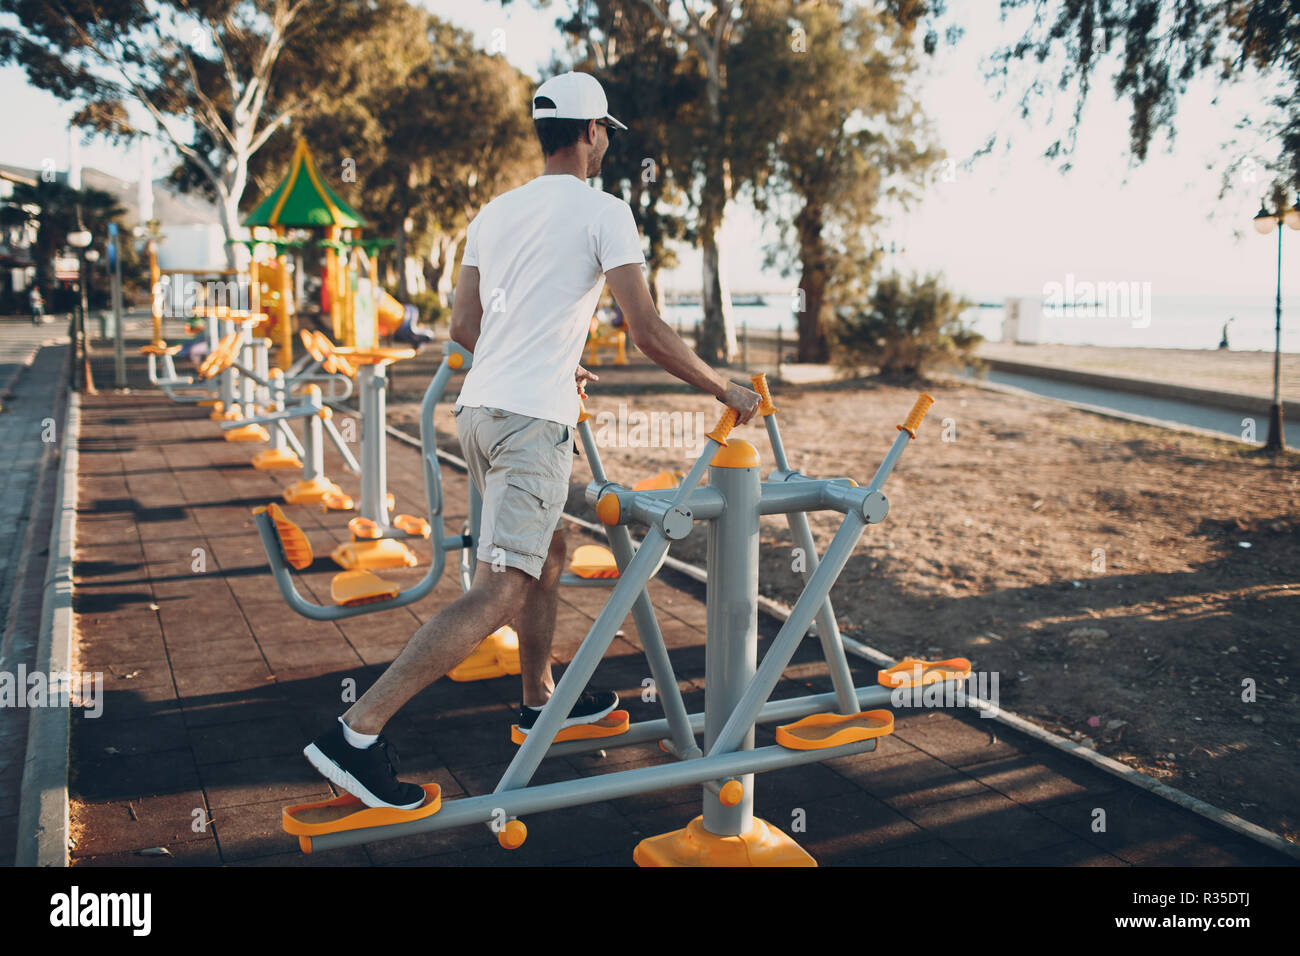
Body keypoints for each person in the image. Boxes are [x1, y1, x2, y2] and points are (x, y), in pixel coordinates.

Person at [302, 71, 761, 809]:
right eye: (605, 133)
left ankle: (539, 698)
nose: (607, 144)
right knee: (501, 588)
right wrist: (722, 388)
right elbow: (646, 330)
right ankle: (355, 733)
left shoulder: (494, 212)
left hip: (479, 412)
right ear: (590, 132)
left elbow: (464, 327)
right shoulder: (605, 211)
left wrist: (549, 359)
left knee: (545, 553)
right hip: (528, 424)